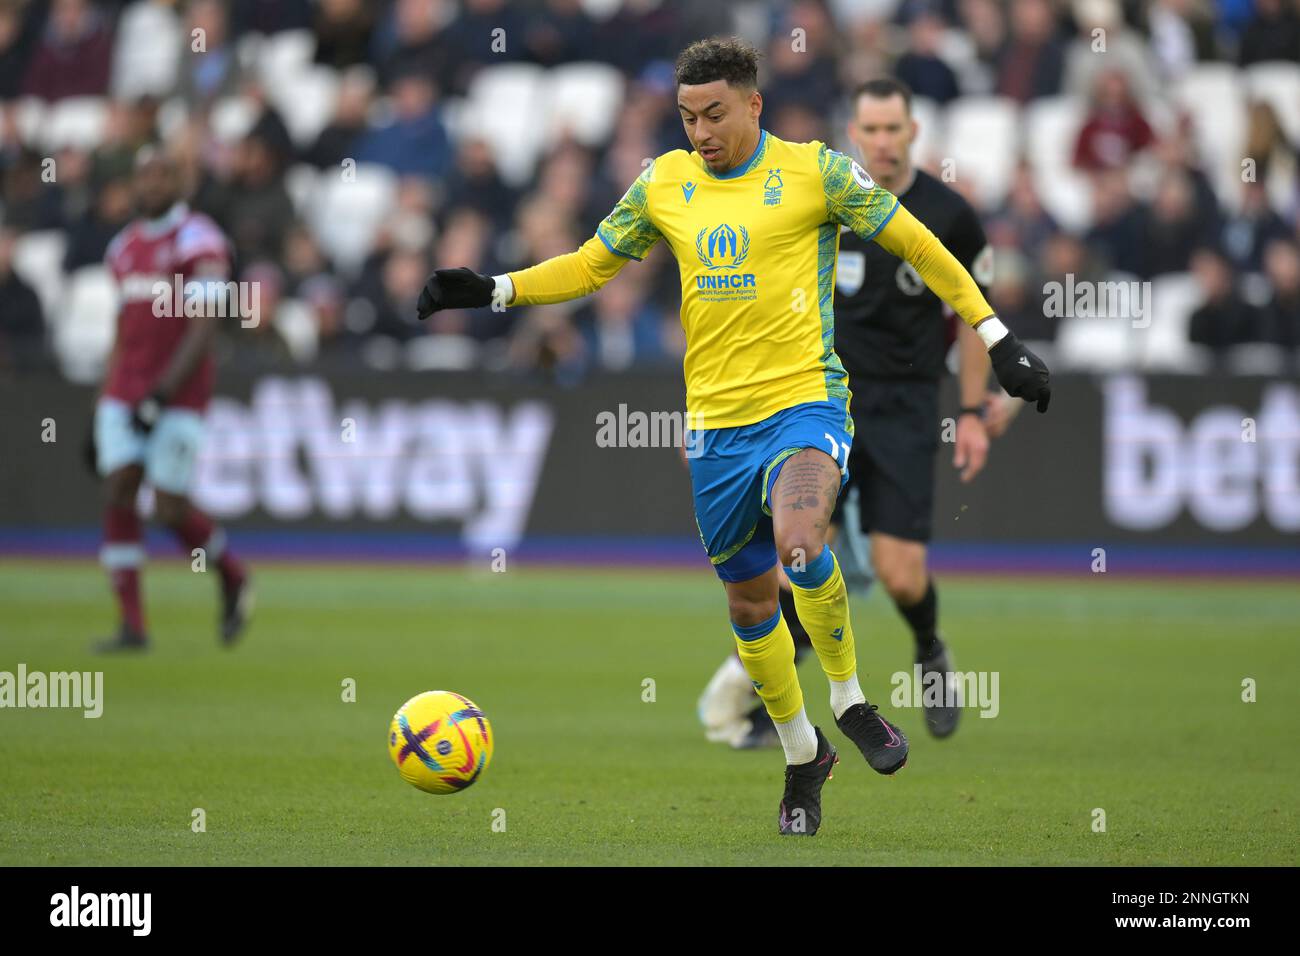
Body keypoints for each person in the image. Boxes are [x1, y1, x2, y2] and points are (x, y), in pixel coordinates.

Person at [416, 38, 1051, 836]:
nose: (700, 132)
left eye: (714, 113)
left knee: (799, 542)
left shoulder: (815, 173)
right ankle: (801, 754)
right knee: (750, 605)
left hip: (805, 406)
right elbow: (590, 266)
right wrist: (495, 289)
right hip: (714, 429)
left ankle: (852, 701)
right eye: (686, 117)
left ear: (754, 103)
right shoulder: (664, 182)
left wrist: (997, 340)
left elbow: (923, 244)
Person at [701, 77, 1020, 750]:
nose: (880, 141)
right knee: (798, 556)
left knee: (901, 574)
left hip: (904, 407)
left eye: (891, 129)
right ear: (854, 135)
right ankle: (774, 708)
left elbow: (968, 317)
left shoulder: (949, 215)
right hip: (813, 404)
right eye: (868, 130)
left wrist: (969, 409)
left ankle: (930, 650)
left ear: (913, 133)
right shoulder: (821, 198)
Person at [93, 147, 252, 652]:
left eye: (163, 175)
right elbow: (120, 331)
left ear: (180, 182)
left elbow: (205, 326)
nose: (153, 184)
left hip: (179, 395)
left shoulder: (200, 240)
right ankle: (132, 626)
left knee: (167, 506)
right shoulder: (122, 248)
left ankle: (230, 574)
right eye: (145, 175)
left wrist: (160, 396)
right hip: (124, 390)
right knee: (120, 486)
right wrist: (104, 399)